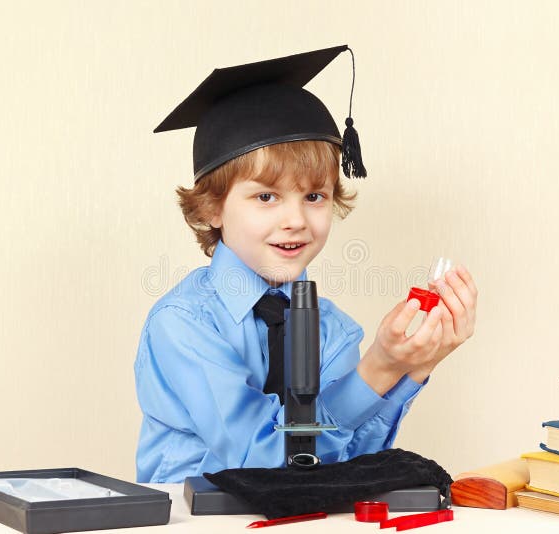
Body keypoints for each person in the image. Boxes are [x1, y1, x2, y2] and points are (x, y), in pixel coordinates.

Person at [135, 45, 477, 483]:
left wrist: (412, 366)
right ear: (212, 208)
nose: (295, 220)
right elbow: (258, 456)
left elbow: (343, 466)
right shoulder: (183, 323)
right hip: (192, 515)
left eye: (314, 196)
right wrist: (376, 369)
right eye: (266, 196)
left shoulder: (332, 330)